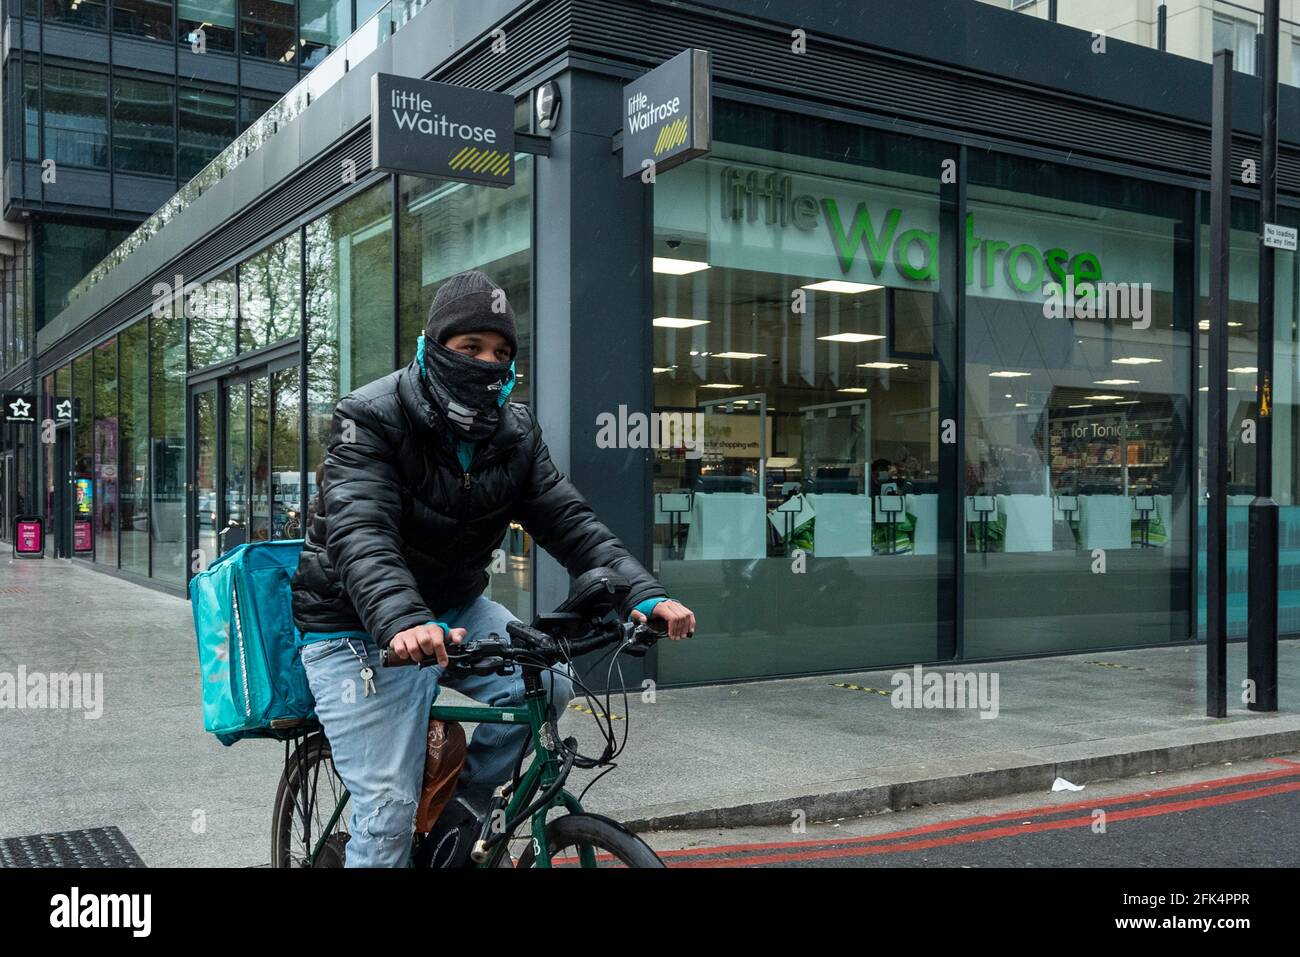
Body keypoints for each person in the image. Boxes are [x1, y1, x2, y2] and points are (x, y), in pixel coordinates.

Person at [290, 270, 696, 867]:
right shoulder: (370, 416)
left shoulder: (516, 434)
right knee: (386, 812)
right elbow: (361, 531)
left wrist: (643, 596)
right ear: (435, 346)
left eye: (501, 352)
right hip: (354, 624)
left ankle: (464, 811)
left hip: (453, 608)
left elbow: (571, 524)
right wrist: (402, 618)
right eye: (471, 348)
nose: (488, 362)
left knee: (548, 681)